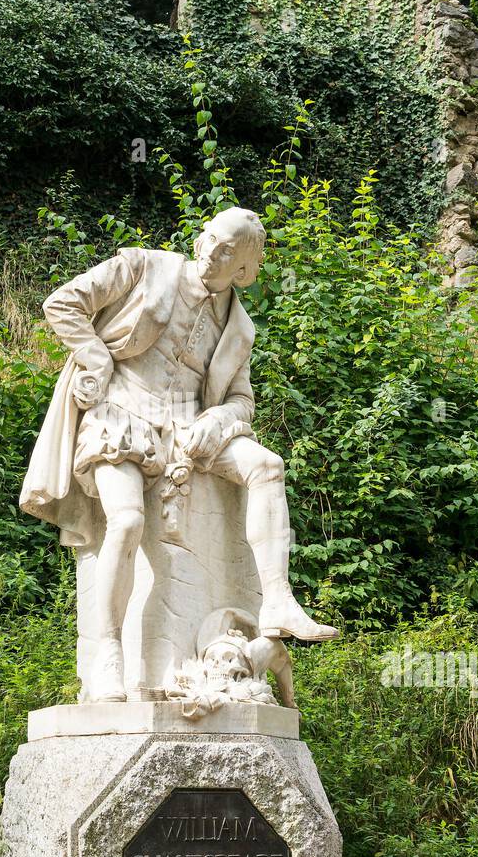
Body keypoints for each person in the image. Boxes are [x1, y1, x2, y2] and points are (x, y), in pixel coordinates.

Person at [20, 205, 338, 701]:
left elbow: (242, 401)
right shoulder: (141, 266)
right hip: (121, 414)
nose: (212, 250)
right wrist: (96, 356)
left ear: (245, 271)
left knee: (267, 466)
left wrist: (220, 418)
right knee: (125, 522)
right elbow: (63, 303)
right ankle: (108, 654)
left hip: (190, 429)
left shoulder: (240, 327)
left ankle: (278, 599)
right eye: (211, 237)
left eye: (228, 250)